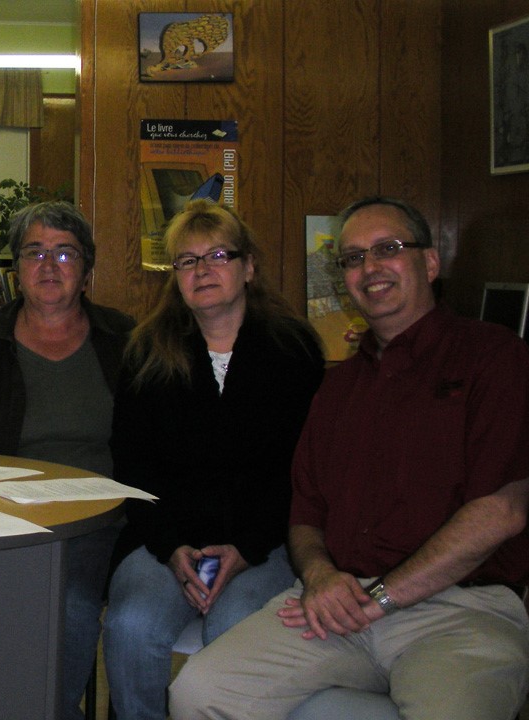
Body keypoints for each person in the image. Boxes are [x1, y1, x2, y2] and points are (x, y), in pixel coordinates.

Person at [169, 196, 529, 720]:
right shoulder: (338, 387)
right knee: (197, 692)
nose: (369, 267)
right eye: (353, 258)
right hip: (335, 603)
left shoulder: (495, 358)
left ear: (430, 262)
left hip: (460, 610)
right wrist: (318, 576)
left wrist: (383, 597)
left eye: (388, 249)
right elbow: (306, 512)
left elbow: (502, 511)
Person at [102, 200, 324, 720]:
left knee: (237, 625)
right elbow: (133, 464)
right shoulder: (146, 352)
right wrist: (171, 544)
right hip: (166, 540)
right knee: (131, 625)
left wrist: (246, 547)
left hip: (266, 542)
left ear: (249, 268)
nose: (202, 270)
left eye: (218, 255)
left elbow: (303, 470)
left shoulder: (294, 350)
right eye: (187, 260)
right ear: (174, 278)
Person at [0, 200, 135, 720]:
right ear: (16, 270)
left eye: (65, 254)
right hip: (8, 519)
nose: (49, 266)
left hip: (103, 521)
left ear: (87, 270)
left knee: (68, 609)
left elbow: (153, 446)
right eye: (35, 253)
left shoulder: (127, 342)